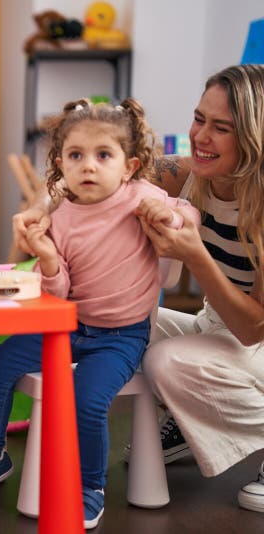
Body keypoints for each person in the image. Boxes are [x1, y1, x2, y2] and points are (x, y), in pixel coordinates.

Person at [0, 97, 200, 529]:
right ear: (62, 164)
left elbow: (189, 214)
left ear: (128, 165)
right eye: (76, 156)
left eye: (103, 155)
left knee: (86, 399)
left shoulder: (142, 196)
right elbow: (60, 290)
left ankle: (91, 486)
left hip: (122, 337)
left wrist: (171, 215)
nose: (89, 166)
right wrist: (49, 258)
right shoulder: (62, 216)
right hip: (68, 327)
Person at [132, 64, 264, 513]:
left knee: (166, 361)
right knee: (121, 328)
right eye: (199, 118)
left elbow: (253, 328)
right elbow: (111, 170)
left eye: (221, 127)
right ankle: (189, 425)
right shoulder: (189, 174)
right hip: (216, 329)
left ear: (252, 137)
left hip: (255, 342)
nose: (200, 136)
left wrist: (195, 256)